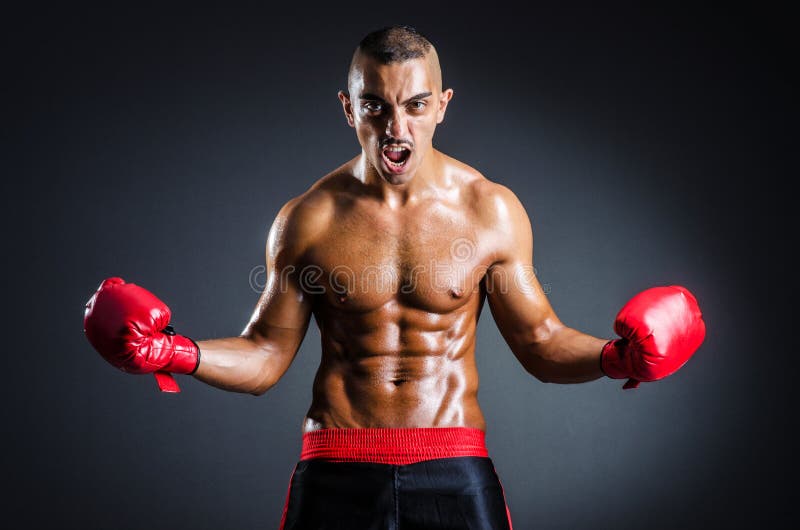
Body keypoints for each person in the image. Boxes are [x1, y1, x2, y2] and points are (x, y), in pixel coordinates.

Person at [83, 25, 706, 530]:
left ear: (442, 104)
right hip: (335, 467)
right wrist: (175, 353)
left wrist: (616, 359)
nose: (396, 129)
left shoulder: (490, 210)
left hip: (453, 467)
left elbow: (541, 343)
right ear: (347, 107)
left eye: (414, 106)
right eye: (375, 107)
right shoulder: (308, 219)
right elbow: (265, 355)